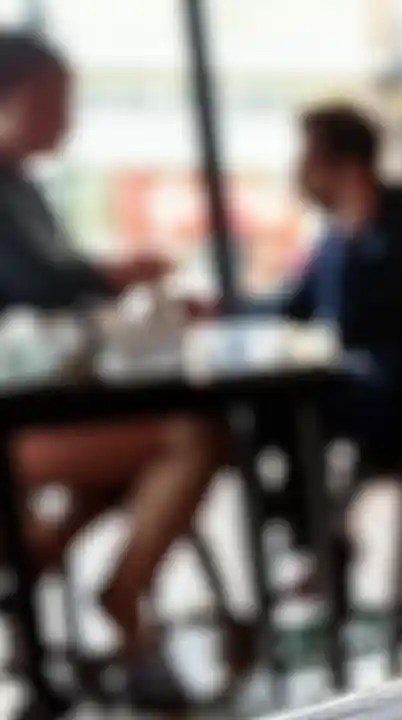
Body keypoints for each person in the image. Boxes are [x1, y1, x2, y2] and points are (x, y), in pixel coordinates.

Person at [0, 33, 224, 705]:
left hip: (41, 408)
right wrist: (113, 272)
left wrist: (119, 289)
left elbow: (57, 293)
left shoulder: (21, 189)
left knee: (147, 460)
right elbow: (33, 286)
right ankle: (122, 599)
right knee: (195, 436)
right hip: (14, 427)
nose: (66, 121)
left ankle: (40, 574)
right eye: (53, 104)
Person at [263, 103, 402, 532]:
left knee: (292, 407)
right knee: (274, 411)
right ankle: (314, 536)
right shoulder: (340, 235)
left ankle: (313, 538)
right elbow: (294, 306)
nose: (299, 174)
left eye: (307, 161)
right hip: (384, 393)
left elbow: (355, 324)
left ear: (346, 168)